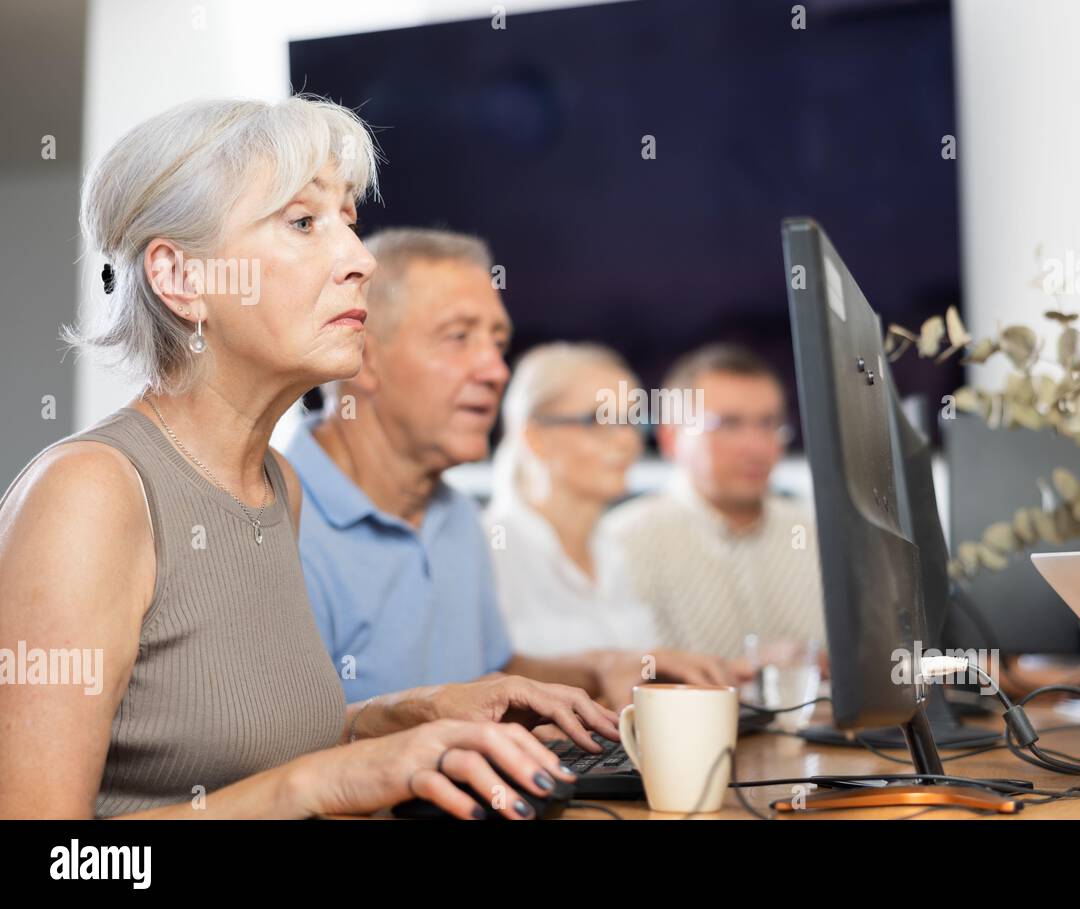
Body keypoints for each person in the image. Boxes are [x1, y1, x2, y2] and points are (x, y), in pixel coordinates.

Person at [0, 97, 617, 820]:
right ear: (181, 278)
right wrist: (311, 787)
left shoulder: (276, 486)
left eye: (349, 224)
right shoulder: (89, 495)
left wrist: (414, 711)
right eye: (303, 223)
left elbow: (258, 751)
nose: (359, 261)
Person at [286, 229, 734, 709]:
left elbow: (487, 677)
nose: (496, 370)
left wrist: (601, 667)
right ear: (364, 357)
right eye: (458, 337)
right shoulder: (278, 523)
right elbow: (271, 753)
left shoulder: (456, 517)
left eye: (497, 341)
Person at [483, 342, 740, 703]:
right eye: (599, 420)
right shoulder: (487, 550)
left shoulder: (616, 548)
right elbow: (473, 686)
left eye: (633, 420)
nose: (627, 441)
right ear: (535, 438)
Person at [604, 343, 826, 660]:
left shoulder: (819, 537)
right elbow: (625, 685)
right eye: (728, 424)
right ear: (671, 437)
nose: (756, 446)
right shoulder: (621, 543)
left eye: (768, 424)